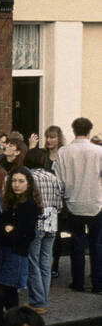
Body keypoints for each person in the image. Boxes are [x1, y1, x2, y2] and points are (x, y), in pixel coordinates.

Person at [0, 167, 41, 326]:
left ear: (29, 184)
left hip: (16, 255)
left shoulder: (29, 206)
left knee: (2, 290)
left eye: (21, 181)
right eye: (14, 181)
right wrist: (6, 230)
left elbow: (26, 234)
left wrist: (7, 231)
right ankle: (14, 325)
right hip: (5, 252)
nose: (16, 185)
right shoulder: (12, 203)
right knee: (8, 293)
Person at [56, 117, 102, 293]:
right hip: (95, 202)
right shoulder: (98, 151)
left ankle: (78, 282)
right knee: (97, 244)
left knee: (77, 243)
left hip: (73, 202)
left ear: (73, 130)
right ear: (89, 131)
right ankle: (98, 283)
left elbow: (59, 180)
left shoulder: (63, 152)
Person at [25, 148, 63, 312]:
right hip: (51, 216)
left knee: (33, 261)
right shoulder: (53, 177)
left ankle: (38, 301)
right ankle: (43, 298)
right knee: (46, 261)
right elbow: (59, 204)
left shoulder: (29, 178)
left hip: (37, 216)